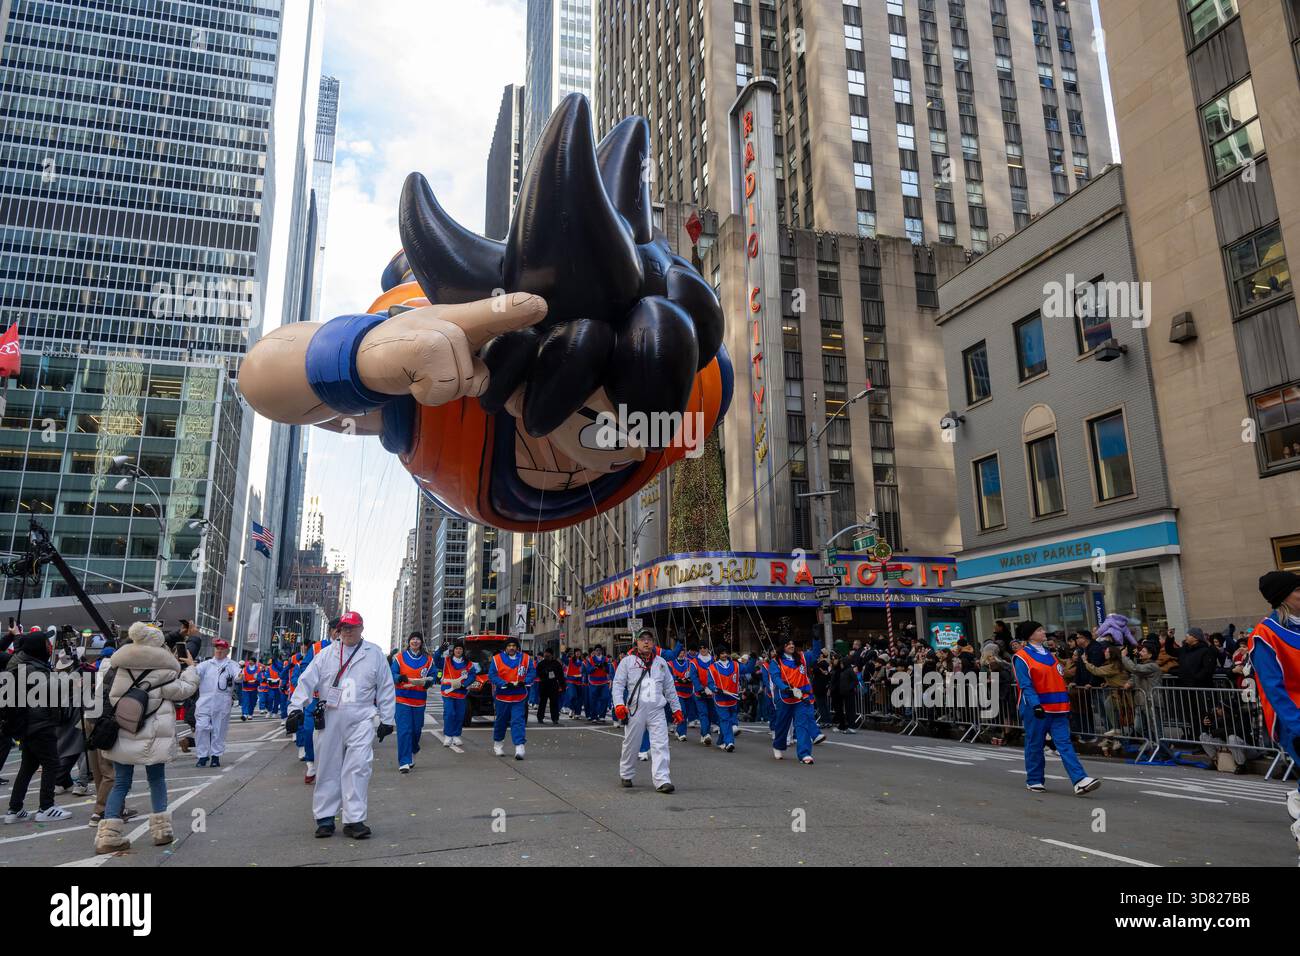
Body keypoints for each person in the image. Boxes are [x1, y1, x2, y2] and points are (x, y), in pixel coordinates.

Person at [286, 611, 395, 840]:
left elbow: (385, 687)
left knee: (358, 767)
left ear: (361, 629)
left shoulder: (373, 654)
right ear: (338, 630)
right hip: (330, 716)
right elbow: (307, 680)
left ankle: (354, 819)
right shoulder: (326, 654)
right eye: (343, 628)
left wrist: (387, 719)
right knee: (327, 767)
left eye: (352, 627)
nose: (347, 631)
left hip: (361, 717)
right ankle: (325, 819)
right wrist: (295, 707)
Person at [94, 622, 201, 853]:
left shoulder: (119, 668)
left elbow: (107, 696)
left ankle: (108, 835)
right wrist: (191, 668)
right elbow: (184, 690)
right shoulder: (165, 671)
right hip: (154, 735)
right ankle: (161, 831)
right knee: (156, 780)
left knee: (121, 783)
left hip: (124, 731)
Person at [1012, 620, 1101, 796]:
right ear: (1030, 635)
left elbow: (1059, 678)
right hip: (1036, 709)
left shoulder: (1050, 654)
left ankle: (1080, 780)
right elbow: (1025, 685)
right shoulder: (1021, 657)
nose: (1044, 631)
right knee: (1035, 744)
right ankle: (1034, 779)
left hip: (1058, 707)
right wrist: (1035, 704)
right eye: (1039, 630)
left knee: (1064, 744)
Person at [1247, 570, 1300, 847]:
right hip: (1291, 718)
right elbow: (1273, 687)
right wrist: (1296, 724)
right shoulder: (1264, 635)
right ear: (1284, 598)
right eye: (1298, 590)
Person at [3, 632, 73, 824]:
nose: (49, 647)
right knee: (51, 764)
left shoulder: (20, 663)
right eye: (46, 643)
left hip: (26, 724)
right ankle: (46, 807)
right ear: (38, 647)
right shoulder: (31, 668)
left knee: (27, 766)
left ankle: (15, 809)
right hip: (39, 723)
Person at [613, 629, 682, 792]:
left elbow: (670, 688)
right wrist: (619, 705)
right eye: (642, 639)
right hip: (635, 710)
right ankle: (626, 773)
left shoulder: (661, 663)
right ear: (636, 642)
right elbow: (617, 685)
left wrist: (676, 709)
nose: (646, 642)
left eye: (649, 639)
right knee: (632, 744)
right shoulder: (627, 662)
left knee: (661, 744)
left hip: (657, 710)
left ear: (653, 643)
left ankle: (662, 780)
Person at [769, 638, 825, 764]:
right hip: (785, 697)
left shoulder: (802, 657)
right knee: (782, 725)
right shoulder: (776, 661)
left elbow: (816, 654)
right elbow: (775, 677)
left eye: (793, 643)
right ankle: (778, 746)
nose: (791, 645)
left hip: (802, 698)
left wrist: (816, 639)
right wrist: (785, 688)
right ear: (782, 646)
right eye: (788, 644)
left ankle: (804, 754)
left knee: (802, 725)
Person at [194, 639, 241, 768]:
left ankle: (215, 756)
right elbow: (195, 673)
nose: (219, 651)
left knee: (219, 729)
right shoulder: (206, 664)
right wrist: (190, 667)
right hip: (205, 700)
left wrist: (241, 676)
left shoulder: (232, 665)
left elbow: (238, 677)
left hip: (222, 700)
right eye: (217, 648)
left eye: (222, 648)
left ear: (227, 651)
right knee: (201, 727)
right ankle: (202, 755)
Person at [390, 631, 433, 773]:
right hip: (402, 699)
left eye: (418, 639)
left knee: (416, 730)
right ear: (409, 642)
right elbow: (392, 674)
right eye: (413, 639)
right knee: (404, 730)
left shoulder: (428, 659)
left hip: (419, 700)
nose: (415, 641)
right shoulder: (399, 658)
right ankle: (404, 761)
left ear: (421, 642)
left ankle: (414, 749)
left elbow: (434, 674)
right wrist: (400, 678)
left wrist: (428, 683)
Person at [488, 636, 535, 759]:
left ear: (517, 647)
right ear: (505, 648)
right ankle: (498, 744)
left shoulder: (525, 658)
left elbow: (531, 672)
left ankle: (519, 747)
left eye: (514, 646)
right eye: (509, 646)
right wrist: (504, 683)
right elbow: (492, 675)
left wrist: (524, 681)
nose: (511, 648)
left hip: (519, 696)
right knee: (501, 721)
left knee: (518, 721)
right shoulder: (497, 659)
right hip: (502, 696)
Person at [704, 644, 749, 751]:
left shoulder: (735, 664)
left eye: (725, 653)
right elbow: (710, 683)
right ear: (718, 655)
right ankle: (729, 742)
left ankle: (720, 741)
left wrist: (752, 659)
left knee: (730, 720)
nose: (724, 655)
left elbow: (747, 669)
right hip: (720, 698)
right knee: (725, 720)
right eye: (722, 653)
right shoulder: (712, 667)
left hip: (733, 698)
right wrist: (715, 689)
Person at [433, 641, 477, 746]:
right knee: (449, 714)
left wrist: (464, 684)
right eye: (456, 649)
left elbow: (472, 676)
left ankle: (456, 735)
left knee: (459, 715)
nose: (458, 650)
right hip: (448, 692)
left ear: (463, 651)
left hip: (461, 693)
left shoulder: (468, 663)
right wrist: (440, 650)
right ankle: (448, 736)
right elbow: (436, 660)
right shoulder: (446, 661)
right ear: (453, 650)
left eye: (460, 649)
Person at [583, 645, 614, 722]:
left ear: (602, 651)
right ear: (594, 651)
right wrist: (595, 667)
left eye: (600, 650)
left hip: (603, 682)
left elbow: (608, 670)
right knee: (593, 700)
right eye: (597, 650)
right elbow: (588, 671)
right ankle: (594, 716)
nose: (598, 651)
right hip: (593, 682)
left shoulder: (606, 659)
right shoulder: (590, 660)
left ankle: (602, 716)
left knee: (605, 698)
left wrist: (604, 667)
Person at [535, 647, 565, 723]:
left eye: (548, 655)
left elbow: (561, 675)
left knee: (554, 702)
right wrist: (544, 672)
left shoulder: (556, 664)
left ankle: (555, 718)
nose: (546, 656)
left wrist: (563, 685)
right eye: (545, 655)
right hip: (544, 684)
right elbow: (538, 673)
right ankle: (540, 717)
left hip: (553, 685)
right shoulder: (541, 664)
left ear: (551, 655)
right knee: (542, 702)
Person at [561, 648, 585, 718]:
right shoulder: (570, 660)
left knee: (579, 698)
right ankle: (572, 708)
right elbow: (563, 660)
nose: (578, 653)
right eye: (576, 652)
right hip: (571, 680)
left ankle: (577, 713)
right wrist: (565, 653)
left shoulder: (582, 661)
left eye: (579, 652)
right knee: (572, 696)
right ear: (574, 653)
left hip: (579, 681)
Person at [239, 654, 259, 720]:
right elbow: (241, 676)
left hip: (254, 688)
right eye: (249, 661)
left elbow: (260, 677)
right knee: (245, 701)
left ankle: (250, 714)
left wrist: (258, 681)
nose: (250, 662)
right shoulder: (244, 669)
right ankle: (244, 714)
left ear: (254, 662)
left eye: (251, 661)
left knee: (252, 702)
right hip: (246, 688)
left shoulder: (257, 669)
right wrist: (243, 680)